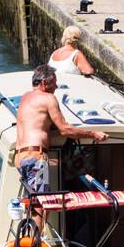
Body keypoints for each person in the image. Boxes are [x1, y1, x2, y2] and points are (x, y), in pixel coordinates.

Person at [15, 64, 108, 228]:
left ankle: (31, 240)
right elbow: (65, 130)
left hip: (21, 157)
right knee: (40, 203)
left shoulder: (26, 97)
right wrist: (93, 134)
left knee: (34, 200)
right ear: (44, 82)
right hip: (35, 156)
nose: (56, 86)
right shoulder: (48, 99)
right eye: (54, 83)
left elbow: (37, 123)